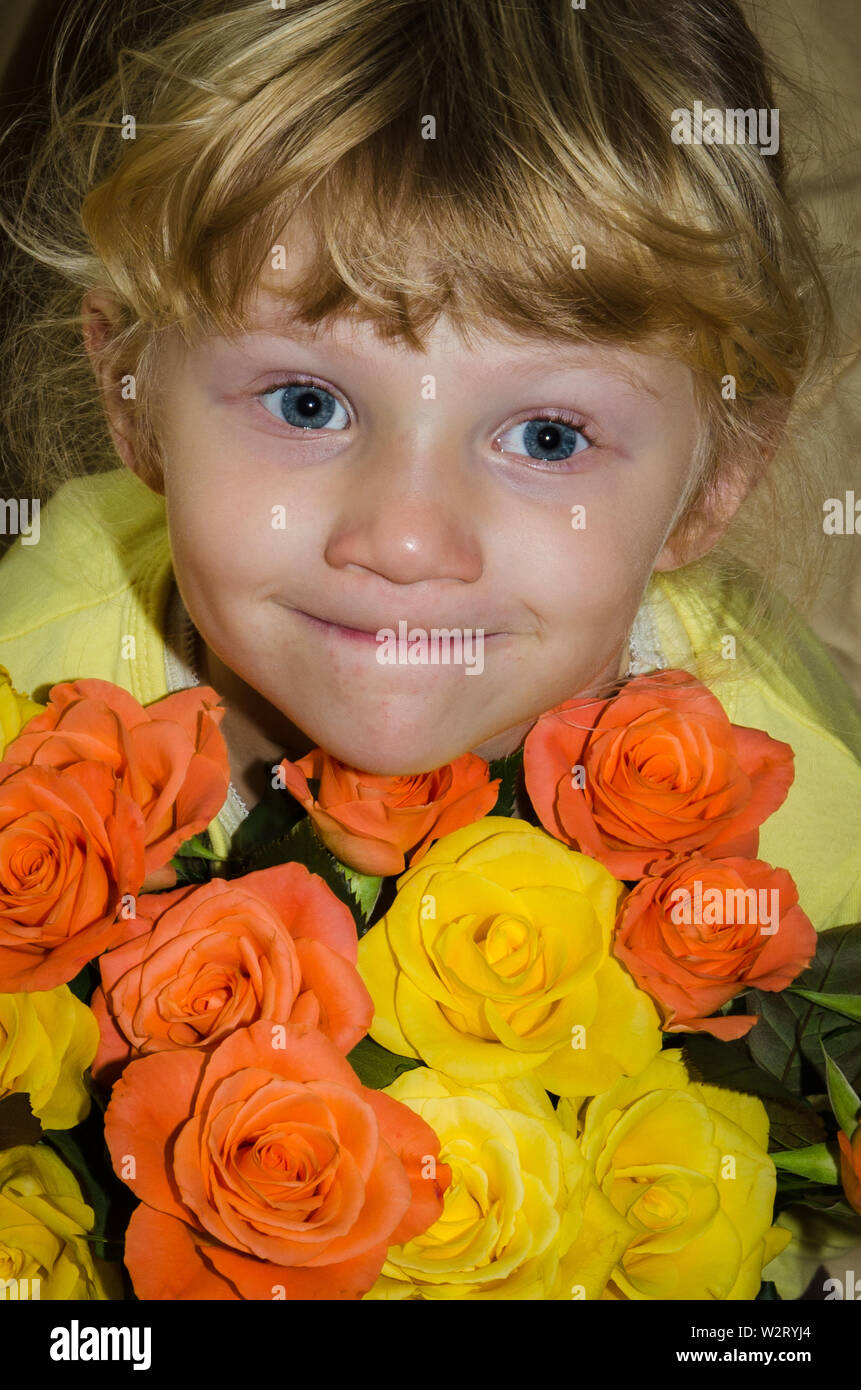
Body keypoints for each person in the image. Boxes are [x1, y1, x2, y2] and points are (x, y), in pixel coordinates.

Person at [0, 0, 859, 932]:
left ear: (717, 481)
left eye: (547, 437)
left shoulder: (801, 853)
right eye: (307, 404)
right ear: (131, 395)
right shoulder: (24, 704)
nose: (406, 540)